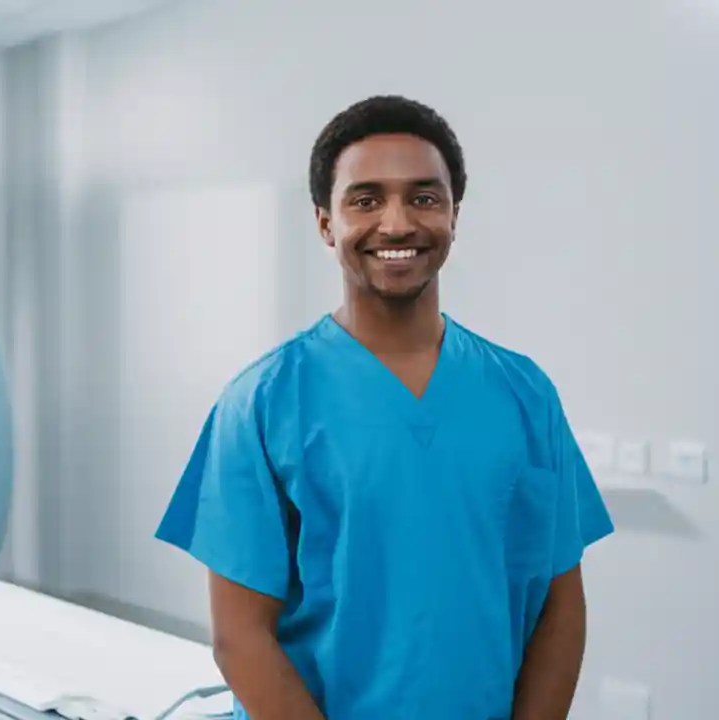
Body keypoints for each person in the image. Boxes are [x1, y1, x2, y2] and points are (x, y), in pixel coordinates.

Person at [154, 95, 615, 719]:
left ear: (455, 215)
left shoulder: (523, 391)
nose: (396, 224)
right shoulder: (264, 401)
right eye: (365, 200)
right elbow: (240, 638)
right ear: (325, 222)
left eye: (424, 197)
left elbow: (561, 605)